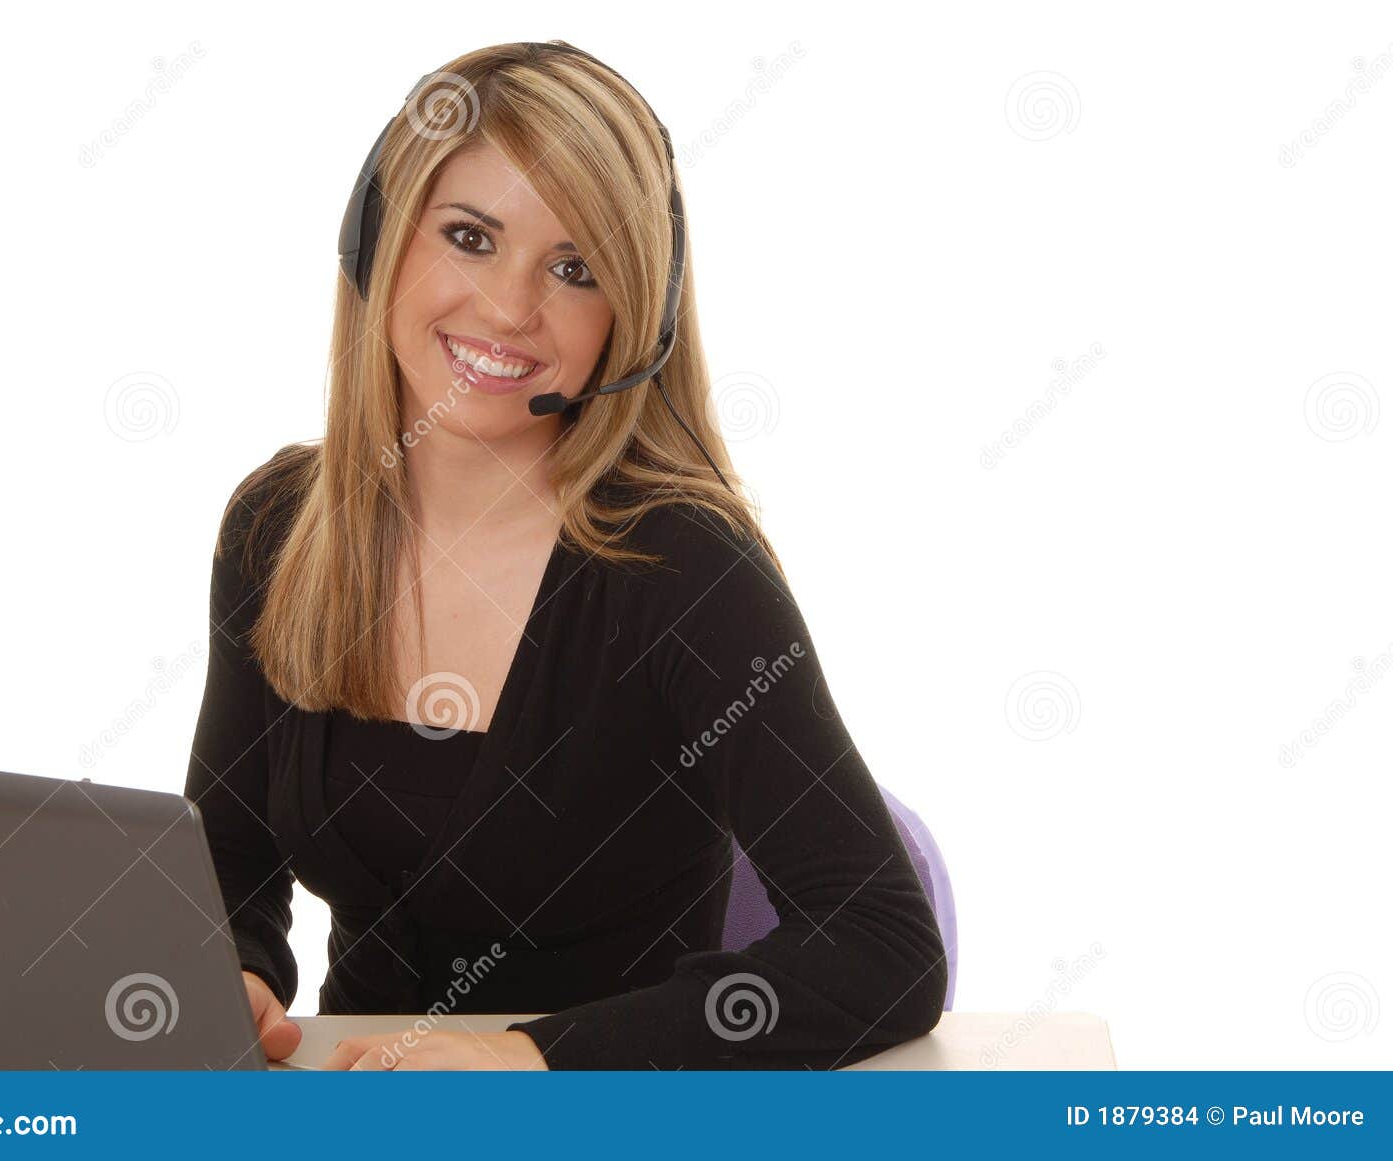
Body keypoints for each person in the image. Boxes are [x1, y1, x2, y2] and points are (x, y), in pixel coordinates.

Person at [185, 39, 948, 1071]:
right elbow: (228, 854)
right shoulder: (281, 526)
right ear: (376, 243)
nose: (509, 308)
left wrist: (531, 1059)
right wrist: (233, 972)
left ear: (631, 321)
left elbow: (883, 945)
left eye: (574, 269)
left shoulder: (681, 568)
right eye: (469, 237)